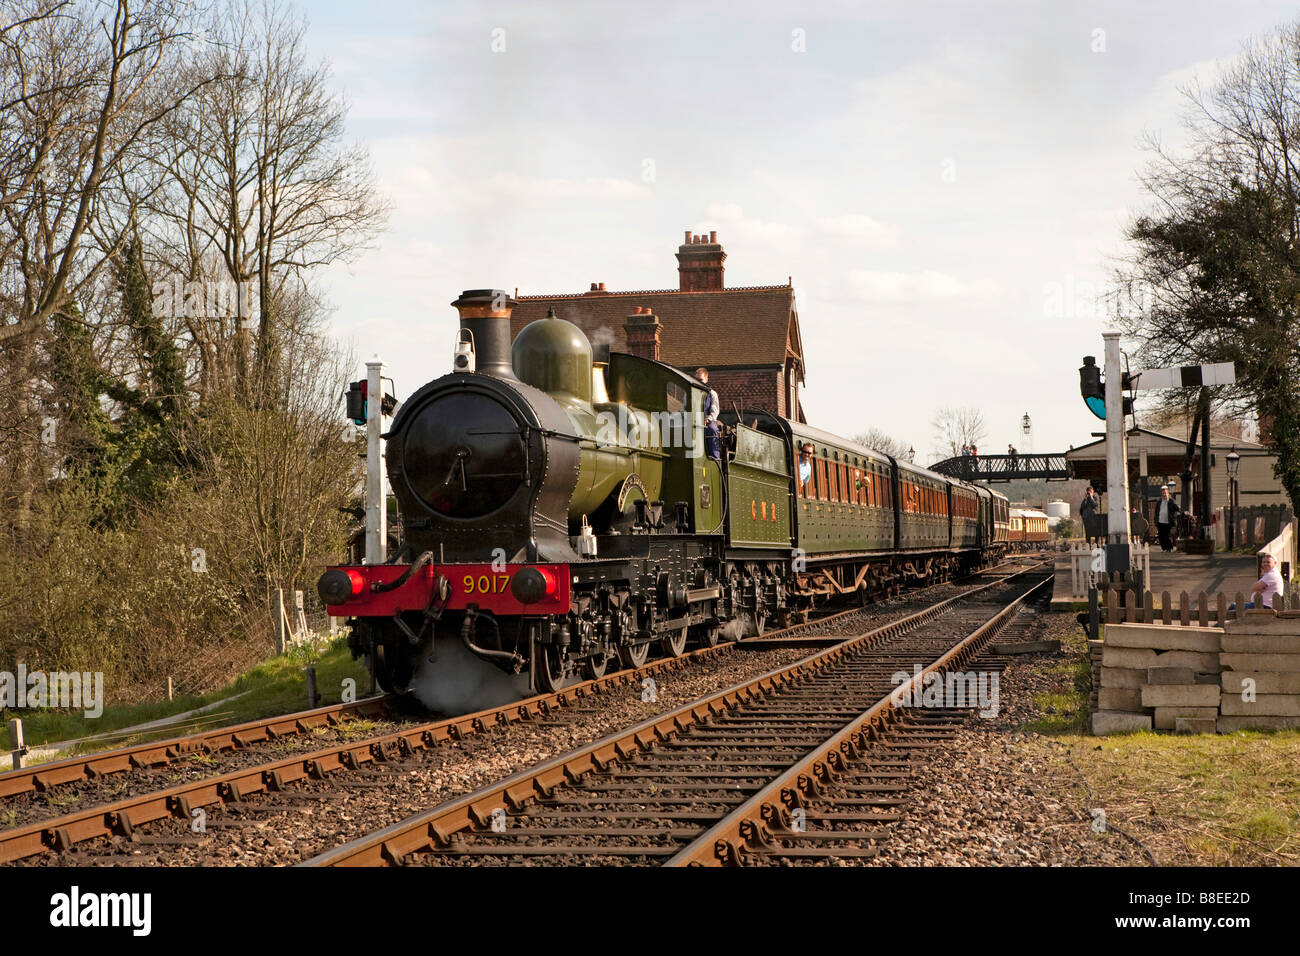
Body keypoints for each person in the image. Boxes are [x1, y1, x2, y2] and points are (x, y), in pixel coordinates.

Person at [696, 367, 721, 461]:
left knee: (712, 429)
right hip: (693, 419)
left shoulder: (712, 394)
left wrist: (708, 419)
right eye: (697, 380)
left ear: (706, 380)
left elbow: (715, 411)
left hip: (707, 420)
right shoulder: (689, 392)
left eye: (701, 380)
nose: (699, 382)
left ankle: (714, 456)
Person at [1154, 486, 1182, 552]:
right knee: (1161, 536)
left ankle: (1169, 548)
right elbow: (1156, 511)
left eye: (1165, 493)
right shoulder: (1159, 501)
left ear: (1168, 493)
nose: (1164, 495)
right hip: (1160, 521)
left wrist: (1182, 512)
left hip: (1168, 521)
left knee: (1167, 536)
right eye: (1163, 493)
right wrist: (1155, 520)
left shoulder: (1171, 501)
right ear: (1161, 494)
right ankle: (1164, 548)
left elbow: (1177, 508)